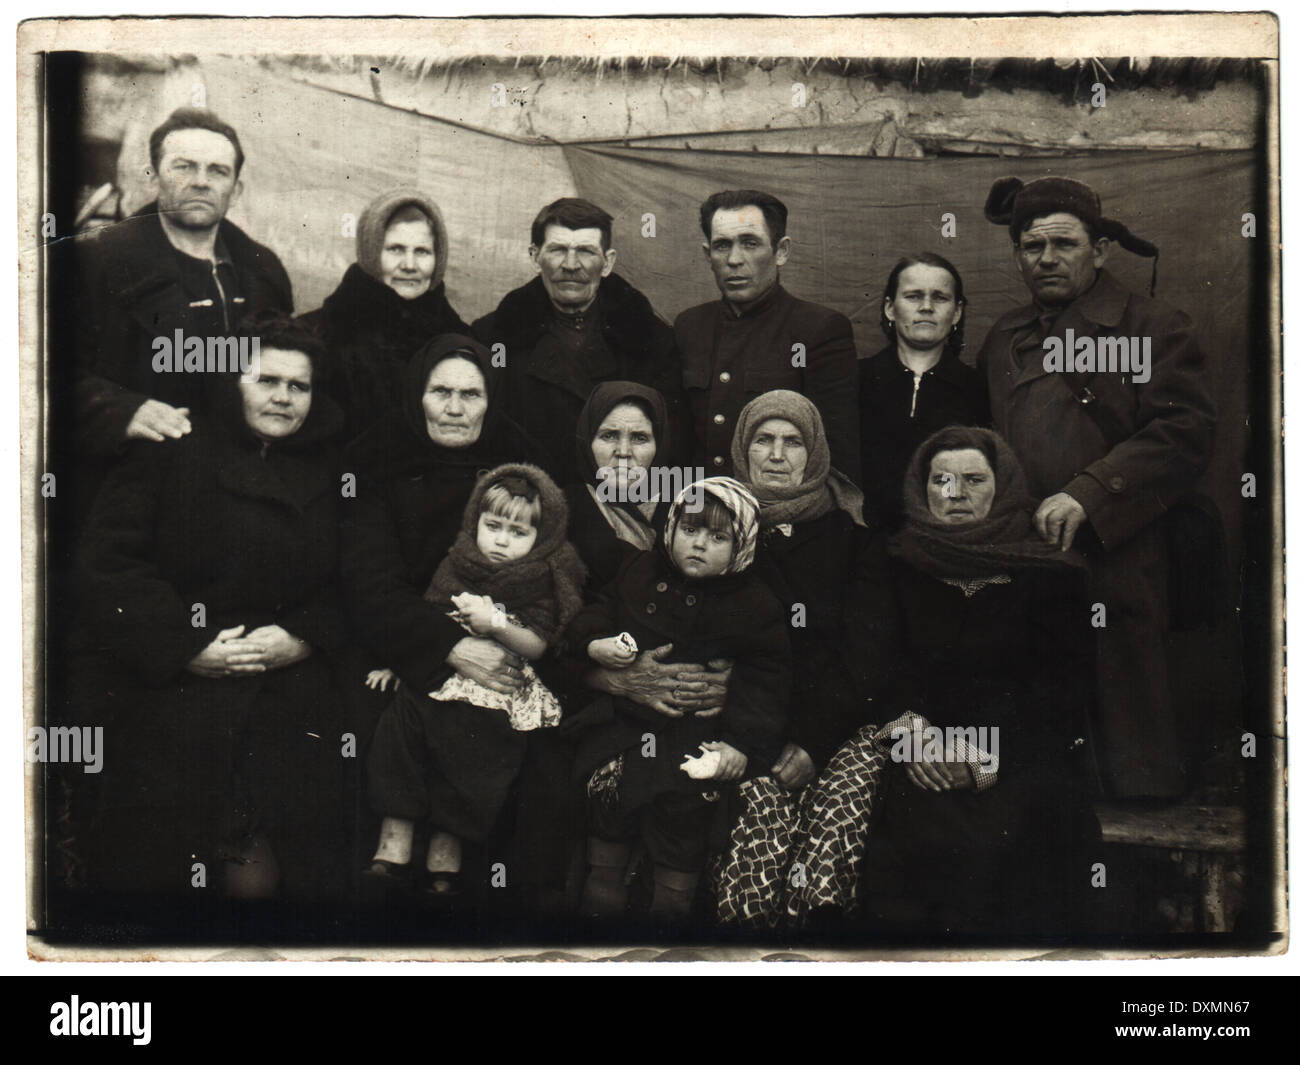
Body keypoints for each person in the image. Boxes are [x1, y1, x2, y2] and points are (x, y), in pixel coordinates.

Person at [69, 315, 347, 924]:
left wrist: (302, 638)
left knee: (307, 826)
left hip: (289, 679)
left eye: (298, 386)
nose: (282, 396)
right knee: (166, 843)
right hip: (176, 676)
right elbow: (108, 566)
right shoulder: (174, 451)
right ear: (233, 382)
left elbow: (351, 580)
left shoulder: (329, 470)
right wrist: (186, 646)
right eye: (266, 379)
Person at [975, 175, 1216, 798]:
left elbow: (1184, 433)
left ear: (1100, 250)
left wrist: (1089, 493)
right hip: (1027, 552)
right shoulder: (1004, 336)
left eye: (1064, 243)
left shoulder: (1153, 326)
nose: (1047, 259)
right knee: (1040, 748)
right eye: (1032, 247)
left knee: (1129, 739)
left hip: (1123, 548)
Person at [340, 334, 574, 906]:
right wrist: (448, 647)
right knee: (372, 728)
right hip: (399, 641)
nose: (454, 406)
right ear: (415, 397)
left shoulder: (519, 476)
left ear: (490, 402)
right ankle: (378, 879)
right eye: (440, 391)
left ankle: (480, 899)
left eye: (470, 394)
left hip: (507, 651)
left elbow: (561, 572)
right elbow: (369, 586)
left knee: (524, 751)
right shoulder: (373, 465)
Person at [860, 426, 1099, 935]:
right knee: (910, 838)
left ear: (1004, 485)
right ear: (920, 490)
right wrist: (915, 737)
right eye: (940, 480)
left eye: (973, 480)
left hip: (1023, 754)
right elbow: (878, 665)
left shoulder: (1050, 571)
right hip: (922, 754)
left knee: (1024, 846)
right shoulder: (896, 561)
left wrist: (982, 756)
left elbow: (1061, 688)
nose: (954, 494)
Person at [566, 477, 792, 923]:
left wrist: (740, 744)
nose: (699, 545)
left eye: (717, 537)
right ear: (669, 530)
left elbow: (767, 678)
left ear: (742, 546)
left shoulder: (754, 604)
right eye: (690, 530)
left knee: (683, 824)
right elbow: (596, 610)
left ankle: (669, 916)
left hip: (694, 740)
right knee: (609, 808)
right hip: (626, 730)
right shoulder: (639, 572)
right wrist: (596, 644)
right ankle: (599, 904)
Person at [710, 390, 893, 928]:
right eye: (763, 440)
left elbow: (867, 657)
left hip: (836, 725)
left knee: (839, 809)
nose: (776, 455)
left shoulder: (853, 541)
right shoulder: (715, 530)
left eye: (793, 442)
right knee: (761, 817)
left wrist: (813, 739)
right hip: (750, 723)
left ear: (814, 454)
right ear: (743, 449)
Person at [362, 464, 586, 896]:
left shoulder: (543, 576)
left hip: (500, 686)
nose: (501, 540)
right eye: (493, 526)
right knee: (402, 726)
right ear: (475, 522)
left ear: (542, 537)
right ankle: (393, 844)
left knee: (472, 755)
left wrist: (497, 624)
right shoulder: (459, 561)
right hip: (444, 673)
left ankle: (445, 857)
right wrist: (400, 661)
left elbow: (539, 644)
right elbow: (428, 615)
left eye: (518, 532)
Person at [57, 107, 292, 463]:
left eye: (218, 171)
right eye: (184, 166)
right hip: (133, 472)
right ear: (153, 177)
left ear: (236, 188)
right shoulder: (94, 261)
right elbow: (42, 372)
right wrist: (121, 411)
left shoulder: (264, 270)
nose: (201, 181)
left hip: (236, 473)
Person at [473, 198, 684, 483]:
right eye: (558, 250)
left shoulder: (653, 340)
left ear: (607, 262)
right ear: (535, 257)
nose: (571, 265)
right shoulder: (492, 338)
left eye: (585, 251)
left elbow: (669, 445)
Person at [675, 189, 860, 482]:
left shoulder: (818, 330)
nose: (734, 259)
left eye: (750, 243)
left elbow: (835, 451)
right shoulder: (689, 326)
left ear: (782, 251)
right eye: (722, 246)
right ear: (707, 254)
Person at [302, 188, 468, 438]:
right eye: (396, 249)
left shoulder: (460, 342)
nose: (409, 265)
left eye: (422, 252)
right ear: (371, 253)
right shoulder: (320, 334)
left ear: (438, 258)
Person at [858, 253, 989, 529]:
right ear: (890, 308)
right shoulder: (855, 380)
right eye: (913, 296)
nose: (926, 307)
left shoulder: (978, 388)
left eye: (940, 297)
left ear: (956, 312)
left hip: (946, 541)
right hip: (865, 542)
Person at [566, 381, 673, 591]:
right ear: (588, 441)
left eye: (639, 438)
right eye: (609, 436)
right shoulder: (564, 507)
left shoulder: (680, 506)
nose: (623, 451)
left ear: (659, 445)